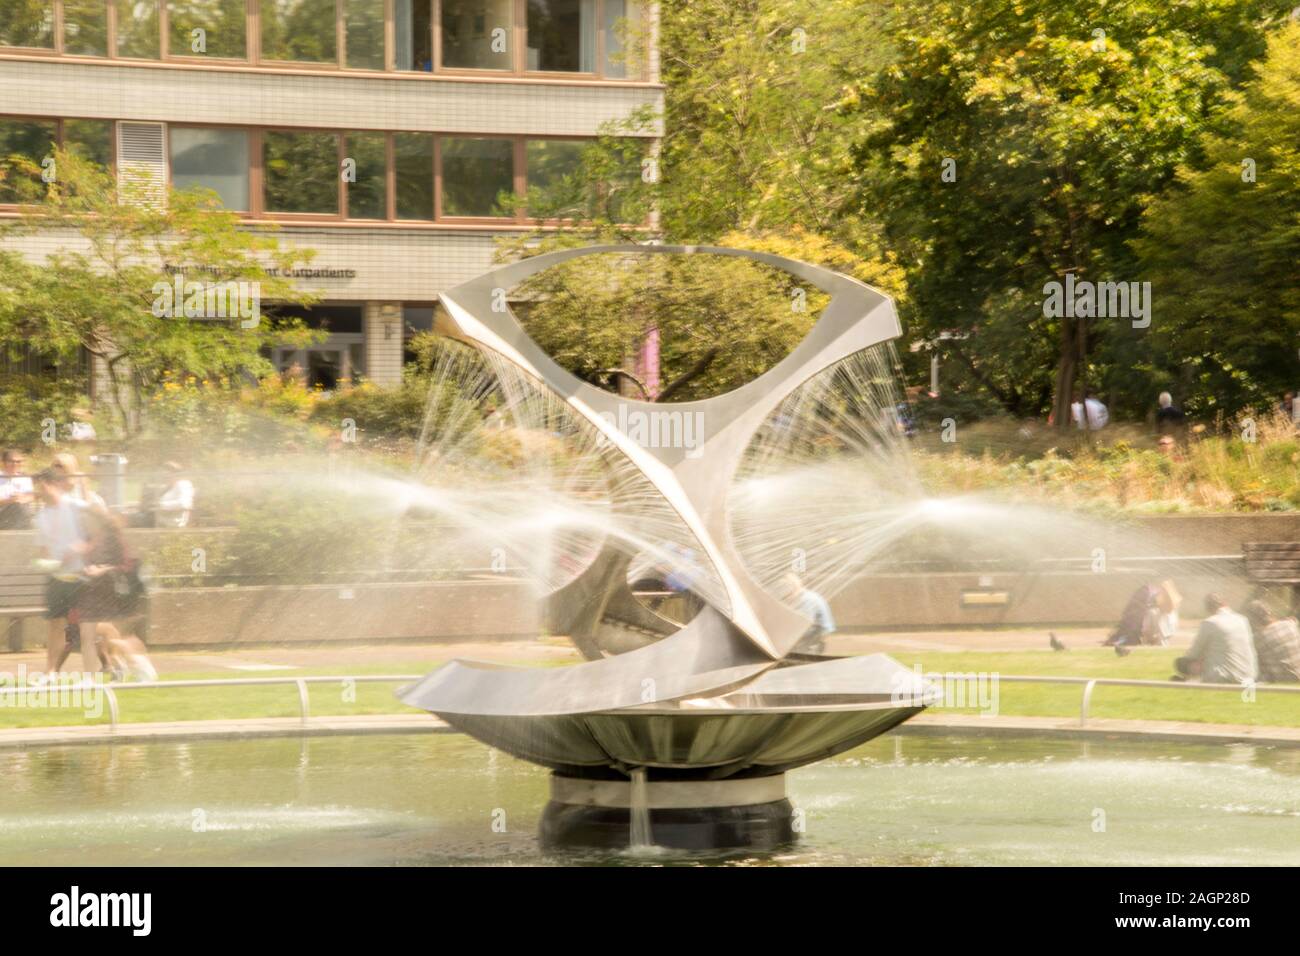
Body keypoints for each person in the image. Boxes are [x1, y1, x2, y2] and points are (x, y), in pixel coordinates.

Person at [60, 504, 156, 681]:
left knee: (116, 638)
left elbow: (128, 565)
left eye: (87, 519)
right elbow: (80, 560)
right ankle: (89, 680)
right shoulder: (87, 539)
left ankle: (138, 665)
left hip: (112, 594)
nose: (84, 523)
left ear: (97, 519)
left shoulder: (112, 538)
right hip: (89, 593)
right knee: (86, 636)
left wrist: (103, 569)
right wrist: (77, 567)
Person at [32, 469, 102, 675]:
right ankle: (50, 673)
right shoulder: (41, 516)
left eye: (42, 484)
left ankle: (93, 675)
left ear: (55, 484)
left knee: (87, 630)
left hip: (82, 576)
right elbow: (43, 549)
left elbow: (99, 533)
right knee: (55, 626)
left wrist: (80, 548)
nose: (39, 490)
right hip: (57, 578)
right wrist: (44, 562)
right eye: (37, 485)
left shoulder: (77, 507)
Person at [1173, 594, 1257, 684]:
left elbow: (1193, 653)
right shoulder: (1242, 620)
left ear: (1208, 608)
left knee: (1181, 663)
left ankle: (1189, 681)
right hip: (1248, 675)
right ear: (1225, 603)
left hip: (1222, 676)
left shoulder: (1210, 623)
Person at [1243, 600, 1300, 683]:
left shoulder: (1257, 639)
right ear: (1269, 612)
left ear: (1252, 620)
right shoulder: (1290, 625)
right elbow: (1293, 621)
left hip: (1282, 680)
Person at [783, 573, 836, 655]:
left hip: (819, 631)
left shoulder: (806, 599)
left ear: (792, 587)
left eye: (786, 590)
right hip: (818, 630)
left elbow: (805, 624)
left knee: (791, 647)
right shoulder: (806, 596)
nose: (785, 595)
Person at [0, 448, 34, 530]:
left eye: (18, 461)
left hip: (20, 512)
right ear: (3, 462)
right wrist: (11, 500)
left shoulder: (25, 478)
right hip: (2, 513)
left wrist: (22, 498)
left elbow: (31, 496)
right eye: (11, 461)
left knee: (21, 508)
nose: (15, 464)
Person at [154, 461, 195, 528]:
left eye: (166, 474)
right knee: (138, 516)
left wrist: (161, 505)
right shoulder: (167, 487)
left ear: (174, 474)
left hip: (174, 522)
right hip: (161, 520)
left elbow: (183, 503)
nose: (164, 477)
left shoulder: (183, 484)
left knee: (139, 518)